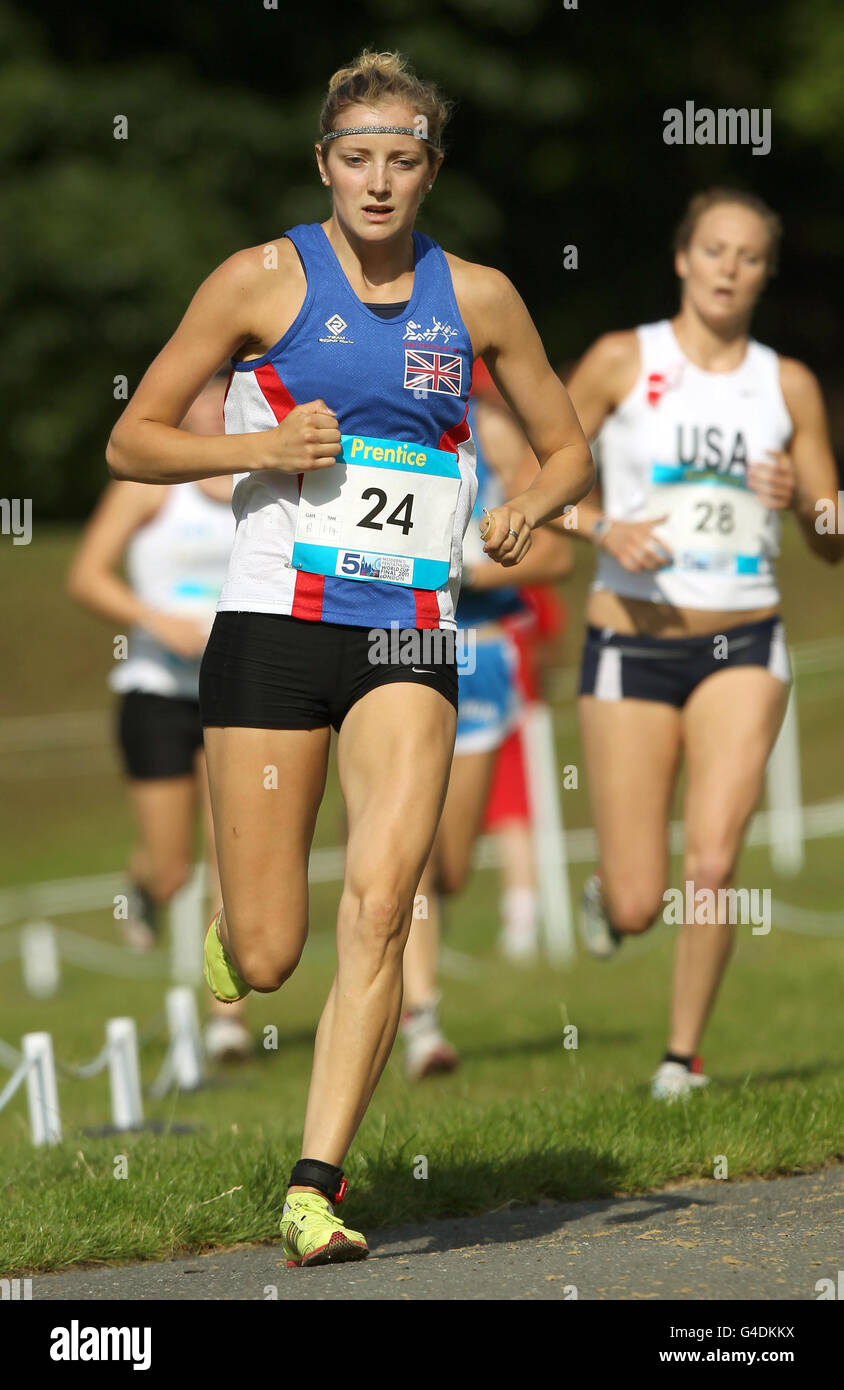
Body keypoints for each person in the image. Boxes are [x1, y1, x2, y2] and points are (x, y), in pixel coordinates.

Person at [106, 48, 593, 1266]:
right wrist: (260, 445)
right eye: (357, 157)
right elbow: (131, 441)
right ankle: (237, 921)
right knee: (269, 955)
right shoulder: (259, 281)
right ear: (325, 162)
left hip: (405, 635)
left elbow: (569, 447)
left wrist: (526, 508)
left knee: (382, 904)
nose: (379, 182)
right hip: (273, 626)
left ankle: (313, 1187)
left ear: (430, 172)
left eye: (404, 159)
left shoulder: (477, 297)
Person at [563, 188, 843, 1100]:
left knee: (715, 859)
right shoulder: (619, 360)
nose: (730, 267)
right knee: (643, 898)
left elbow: (832, 535)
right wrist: (606, 529)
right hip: (632, 643)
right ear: (683, 259)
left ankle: (681, 1060)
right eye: (714, 249)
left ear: (765, 273)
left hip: (744, 641)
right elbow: (531, 479)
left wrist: (800, 493)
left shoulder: (786, 382)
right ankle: (612, 898)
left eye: (750, 255)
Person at [67, 376, 251, 1062]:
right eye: (199, 395)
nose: (211, 407)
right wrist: (155, 620)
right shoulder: (151, 484)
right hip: (156, 690)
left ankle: (226, 1018)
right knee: (175, 871)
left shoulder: (258, 480)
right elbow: (87, 574)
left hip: (235, 689)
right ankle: (144, 880)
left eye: (222, 394)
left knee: (229, 853)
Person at [401, 366, 573, 1077]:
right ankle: (422, 1022)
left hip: (477, 658)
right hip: (392, 646)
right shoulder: (370, 418)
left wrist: (463, 571)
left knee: (447, 864)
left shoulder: (496, 429)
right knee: (398, 843)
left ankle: (412, 985)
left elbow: (557, 552)